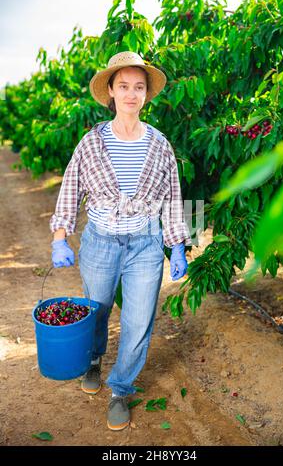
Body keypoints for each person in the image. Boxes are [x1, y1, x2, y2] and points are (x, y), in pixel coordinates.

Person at [49, 51, 192, 431]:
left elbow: (175, 196)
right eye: (124, 86)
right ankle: (94, 358)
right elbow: (70, 188)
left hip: (146, 244)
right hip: (100, 242)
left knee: (138, 320)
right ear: (111, 91)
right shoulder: (92, 142)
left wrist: (178, 244)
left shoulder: (160, 144)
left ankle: (120, 389)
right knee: (97, 310)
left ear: (147, 95)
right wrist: (60, 237)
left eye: (139, 87)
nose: (131, 94)